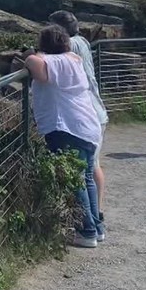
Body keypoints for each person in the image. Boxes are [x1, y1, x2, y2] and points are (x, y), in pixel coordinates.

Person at [24, 25, 104, 248]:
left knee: (76, 180)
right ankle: (96, 227)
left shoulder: (56, 62)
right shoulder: (74, 59)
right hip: (86, 126)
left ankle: (86, 231)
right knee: (86, 178)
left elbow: (36, 67)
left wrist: (31, 55)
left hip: (67, 128)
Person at [49, 11, 109, 239]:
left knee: (86, 171)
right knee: (92, 166)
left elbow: (50, 60)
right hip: (95, 111)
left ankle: (91, 225)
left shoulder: (70, 47)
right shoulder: (82, 41)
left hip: (84, 114)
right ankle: (97, 218)